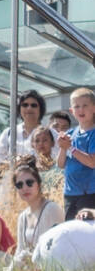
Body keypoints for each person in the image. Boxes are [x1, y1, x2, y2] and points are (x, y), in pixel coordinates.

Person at [56, 87, 95, 221]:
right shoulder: (70, 134)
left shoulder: (93, 134)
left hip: (89, 194)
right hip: (70, 194)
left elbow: (92, 162)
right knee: (71, 231)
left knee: (86, 231)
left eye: (85, 105)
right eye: (77, 106)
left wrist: (71, 148)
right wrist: (62, 147)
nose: (81, 110)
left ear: (94, 108)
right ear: (72, 111)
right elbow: (60, 164)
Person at [13, 160, 63, 262]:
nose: (25, 188)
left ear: (38, 184)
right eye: (19, 185)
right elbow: (19, 251)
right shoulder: (22, 217)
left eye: (29, 183)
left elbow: (58, 248)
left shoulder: (52, 209)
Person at [0, 89, 46, 172]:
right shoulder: (9, 133)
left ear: (40, 109)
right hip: (12, 182)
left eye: (34, 105)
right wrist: (14, 164)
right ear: (19, 109)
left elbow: (57, 161)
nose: (29, 108)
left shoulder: (49, 133)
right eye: (25, 105)